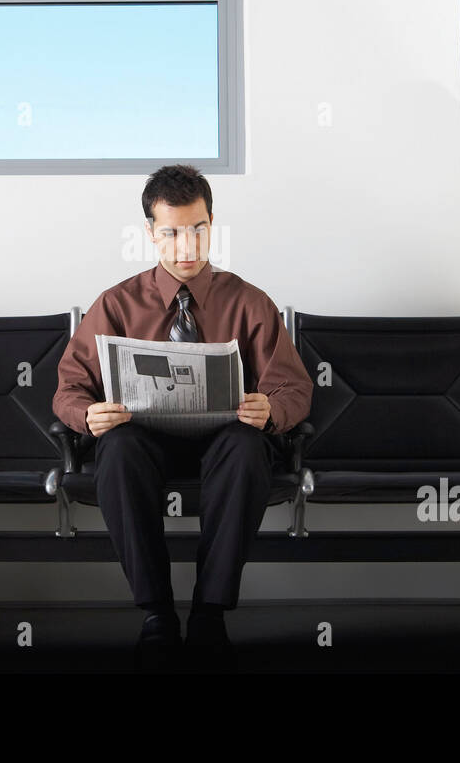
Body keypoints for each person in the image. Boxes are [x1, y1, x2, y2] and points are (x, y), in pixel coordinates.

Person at [53, 165, 313, 671]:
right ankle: (156, 615)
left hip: (224, 441)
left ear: (212, 224)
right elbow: (69, 387)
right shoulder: (116, 304)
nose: (186, 245)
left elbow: (295, 387)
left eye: (197, 229)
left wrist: (271, 407)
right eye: (171, 232)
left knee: (245, 446)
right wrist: (88, 414)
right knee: (118, 449)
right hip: (145, 441)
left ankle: (209, 616)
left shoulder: (250, 302)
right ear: (151, 232)